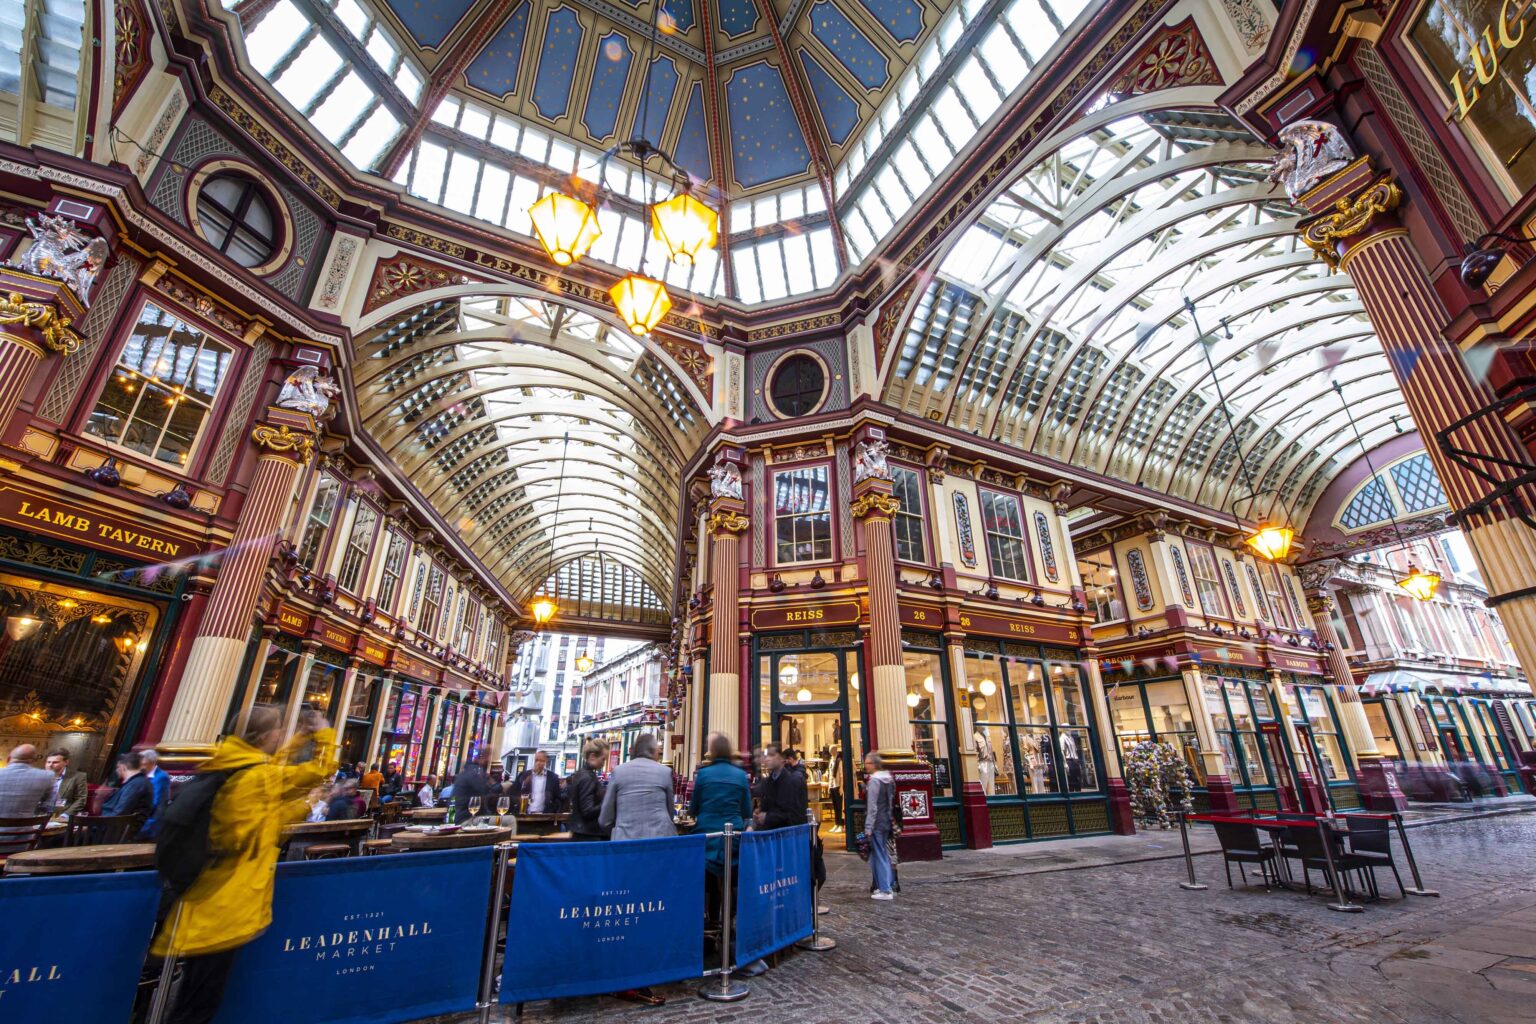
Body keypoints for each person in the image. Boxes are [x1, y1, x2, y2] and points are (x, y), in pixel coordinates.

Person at [153, 705, 335, 1024]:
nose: (283, 734)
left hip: (208, 898)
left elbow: (271, 774)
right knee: (198, 1002)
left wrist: (299, 741)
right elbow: (317, 771)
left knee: (198, 991)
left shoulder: (232, 762)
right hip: (224, 901)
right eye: (279, 730)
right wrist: (324, 737)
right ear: (265, 736)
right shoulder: (256, 777)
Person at [690, 732, 752, 925]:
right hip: (732, 840)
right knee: (731, 877)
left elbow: (694, 808)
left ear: (713, 751)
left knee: (706, 877)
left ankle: (710, 919)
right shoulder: (740, 775)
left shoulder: (703, 774)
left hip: (707, 839)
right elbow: (746, 810)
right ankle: (729, 919)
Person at [599, 733, 676, 840]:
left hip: (625, 840)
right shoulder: (664, 772)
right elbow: (671, 812)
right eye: (658, 752)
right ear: (653, 751)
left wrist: (617, 831)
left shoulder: (618, 772)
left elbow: (604, 819)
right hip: (659, 839)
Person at [0, 744, 56, 852]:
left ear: (8, 758)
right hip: (22, 843)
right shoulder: (47, 776)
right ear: (32, 761)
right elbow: (49, 807)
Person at [863, 752, 896, 901]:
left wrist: (868, 827)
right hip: (886, 820)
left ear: (874, 764)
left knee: (880, 854)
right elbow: (890, 802)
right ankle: (885, 884)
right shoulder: (888, 779)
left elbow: (872, 806)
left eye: (867, 763)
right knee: (881, 854)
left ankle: (885, 889)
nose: (865, 766)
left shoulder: (875, 781)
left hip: (877, 823)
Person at [753, 743, 807, 831]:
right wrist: (759, 812)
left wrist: (767, 817)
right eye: (766, 756)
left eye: (772, 755)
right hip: (772, 832)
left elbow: (793, 813)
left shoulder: (792, 781)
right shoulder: (768, 781)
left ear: (781, 758)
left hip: (786, 833)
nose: (767, 759)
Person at [565, 740, 609, 841]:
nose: (603, 763)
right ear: (592, 756)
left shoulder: (582, 774)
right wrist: (606, 802)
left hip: (582, 832)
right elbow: (588, 810)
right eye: (603, 759)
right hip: (588, 834)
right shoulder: (588, 777)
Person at [101, 751, 156, 830]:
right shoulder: (138, 782)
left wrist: (91, 826)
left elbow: (119, 814)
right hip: (112, 828)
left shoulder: (136, 784)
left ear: (123, 767)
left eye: (117, 767)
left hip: (114, 831)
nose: (116, 770)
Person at [513, 750, 563, 814]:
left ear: (546, 762)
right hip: (524, 814)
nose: (538, 763)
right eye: (536, 760)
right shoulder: (524, 775)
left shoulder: (553, 777)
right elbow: (513, 792)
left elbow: (557, 797)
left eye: (542, 761)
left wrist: (553, 810)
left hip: (545, 815)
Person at [42, 748, 88, 817]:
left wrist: (65, 815)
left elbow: (81, 799)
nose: (50, 765)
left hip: (62, 815)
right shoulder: (39, 775)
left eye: (55, 762)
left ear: (66, 762)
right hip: (39, 814)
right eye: (48, 762)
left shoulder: (78, 777)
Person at [452, 754, 493, 823]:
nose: (488, 760)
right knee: (510, 820)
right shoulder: (474, 773)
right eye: (486, 757)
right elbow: (484, 789)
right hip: (467, 818)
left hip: (459, 816)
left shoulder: (466, 773)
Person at [140, 748, 171, 837]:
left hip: (151, 821)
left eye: (143, 764)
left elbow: (155, 802)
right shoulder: (144, 775)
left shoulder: (161, 777)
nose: (141, 767)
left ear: (152, 762)